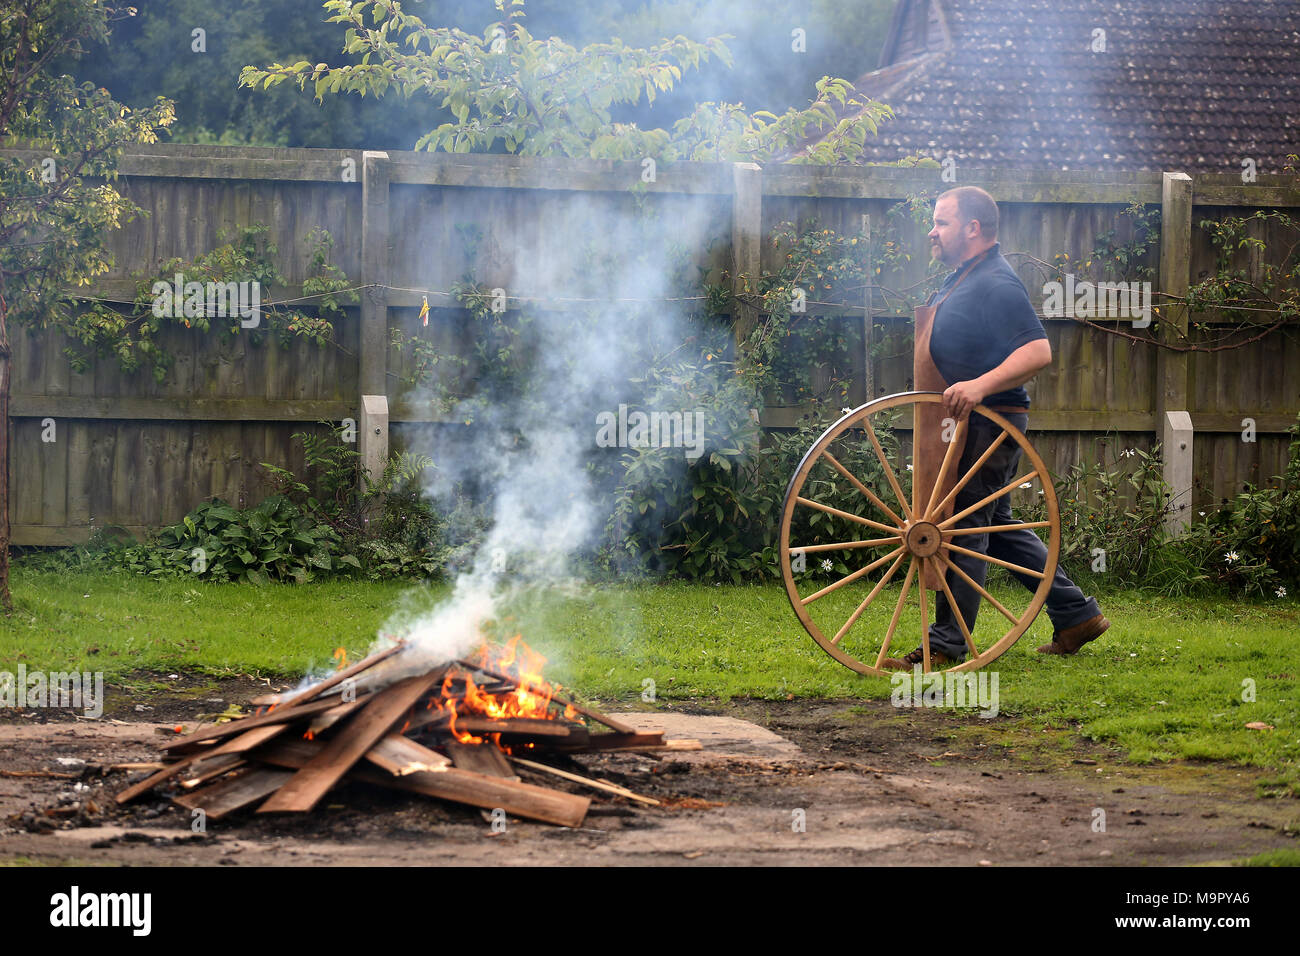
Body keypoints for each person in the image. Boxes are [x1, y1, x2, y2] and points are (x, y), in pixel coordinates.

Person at [882, 186, 1109, 669]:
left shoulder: (996, 283)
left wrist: (980, 385)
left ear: (973, 228)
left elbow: (1037, 352)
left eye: (941, 222)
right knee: (996, 521)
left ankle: (945, 645)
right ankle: (1075, 613)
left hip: (990, 420)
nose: (932, 231)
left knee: (962, 525)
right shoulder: (964, 278)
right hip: (969, 420)